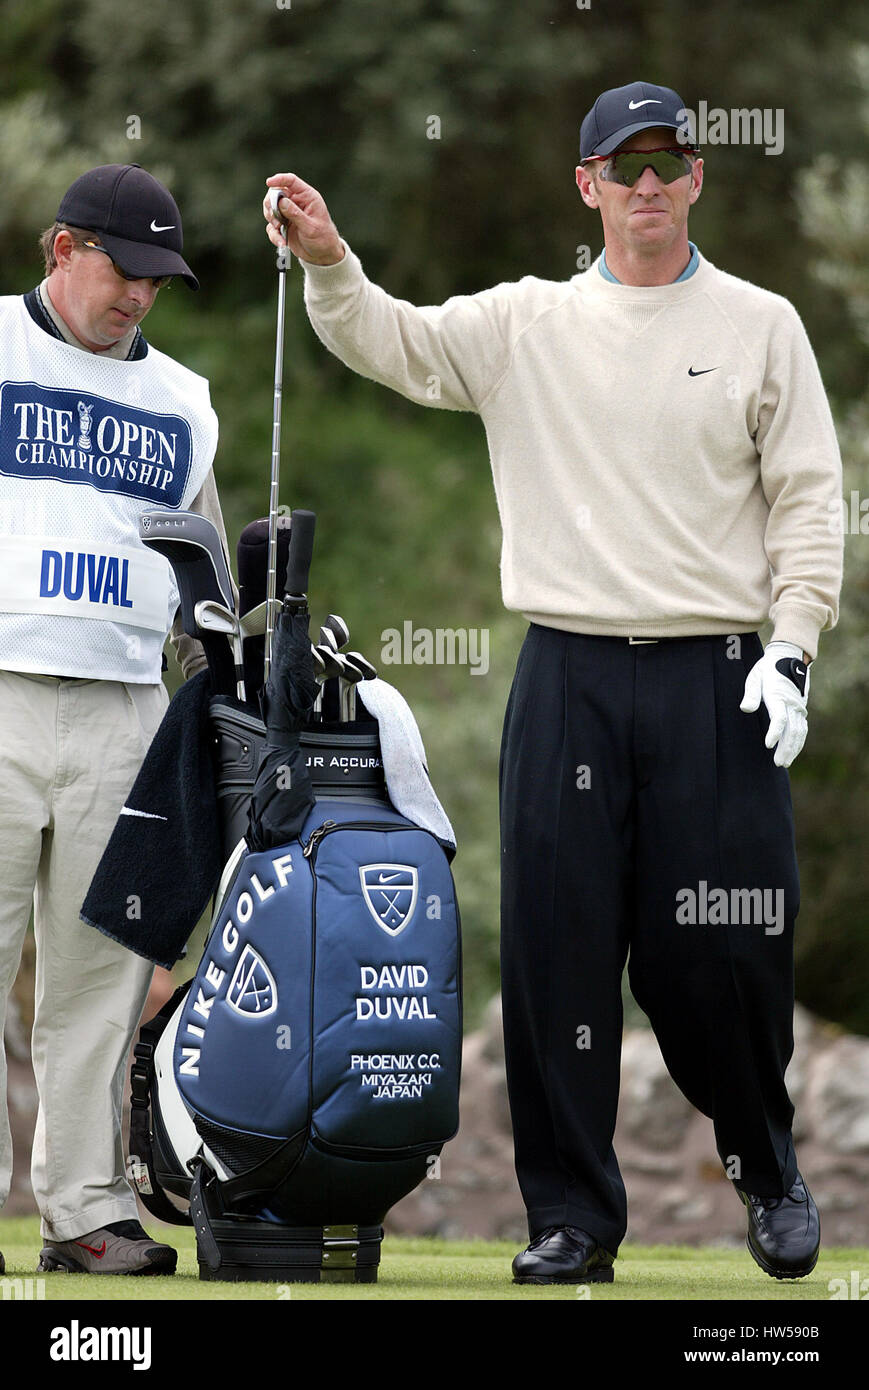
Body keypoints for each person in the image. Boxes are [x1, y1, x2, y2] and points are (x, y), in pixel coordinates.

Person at [261, 79, 843, 1285]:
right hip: (566, 673)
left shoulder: (760, 324)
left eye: (666, 161)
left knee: (720, 953)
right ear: (587, 186)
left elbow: (807, 500)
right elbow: (390, 338)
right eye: (623, 166)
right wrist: (326, 260)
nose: (647, 183)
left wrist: (790, 646)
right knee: (555, 954)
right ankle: (572, 1218)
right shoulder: (524, 323)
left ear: (696, 177)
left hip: (717, 680)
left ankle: (764, 1162)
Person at [0, 163, 233, 1276]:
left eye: (157, 280)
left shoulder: (184, 401)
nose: (139, 296)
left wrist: (225, 691)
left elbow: (203, 579)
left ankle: (86, 1211)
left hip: (126, 709)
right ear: (64, 250)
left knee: (101, 979)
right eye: (123, 270)